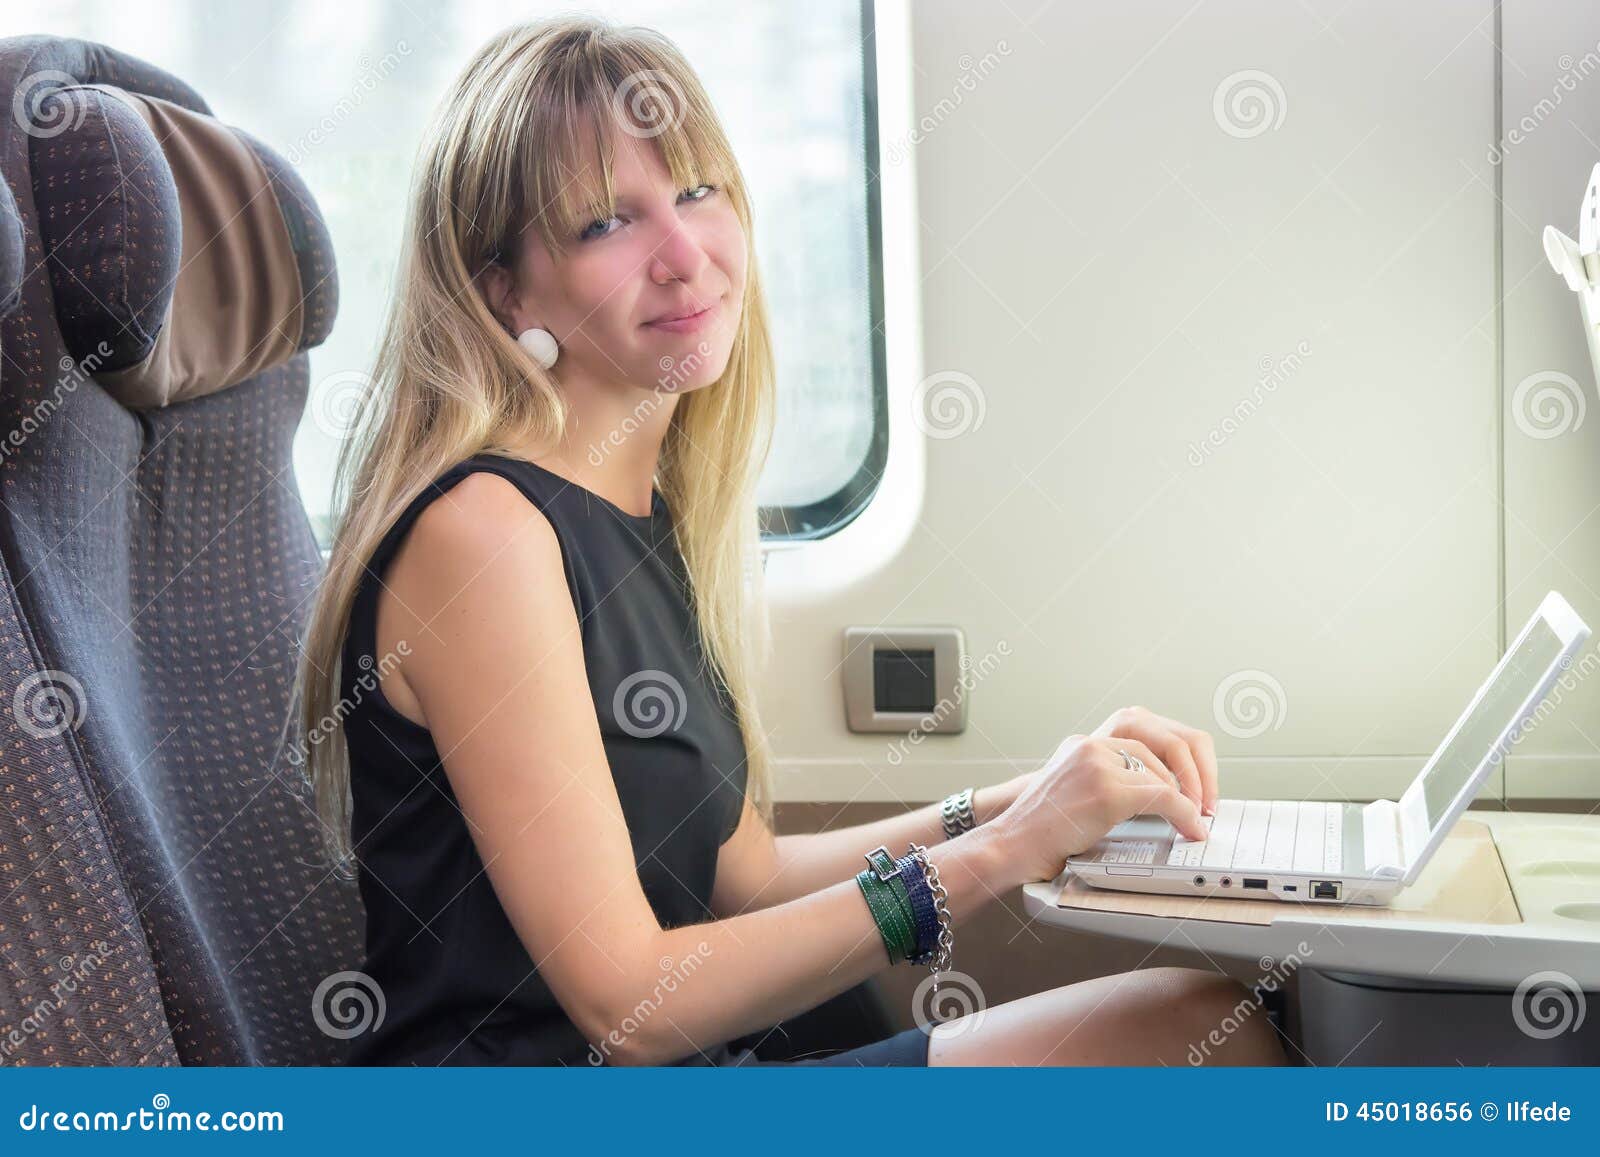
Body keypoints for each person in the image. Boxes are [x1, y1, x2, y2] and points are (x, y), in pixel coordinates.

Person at [290, 15, 1286, 1069]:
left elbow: (748, 878)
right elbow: (627, 1003)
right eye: (603, 224)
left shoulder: (642, 510)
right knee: (1191, 1030)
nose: (684, 256)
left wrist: (1030, 795)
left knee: (1210, 1016)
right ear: (503, 290)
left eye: (696, 192)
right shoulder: (484, 536)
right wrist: (1002, 852)